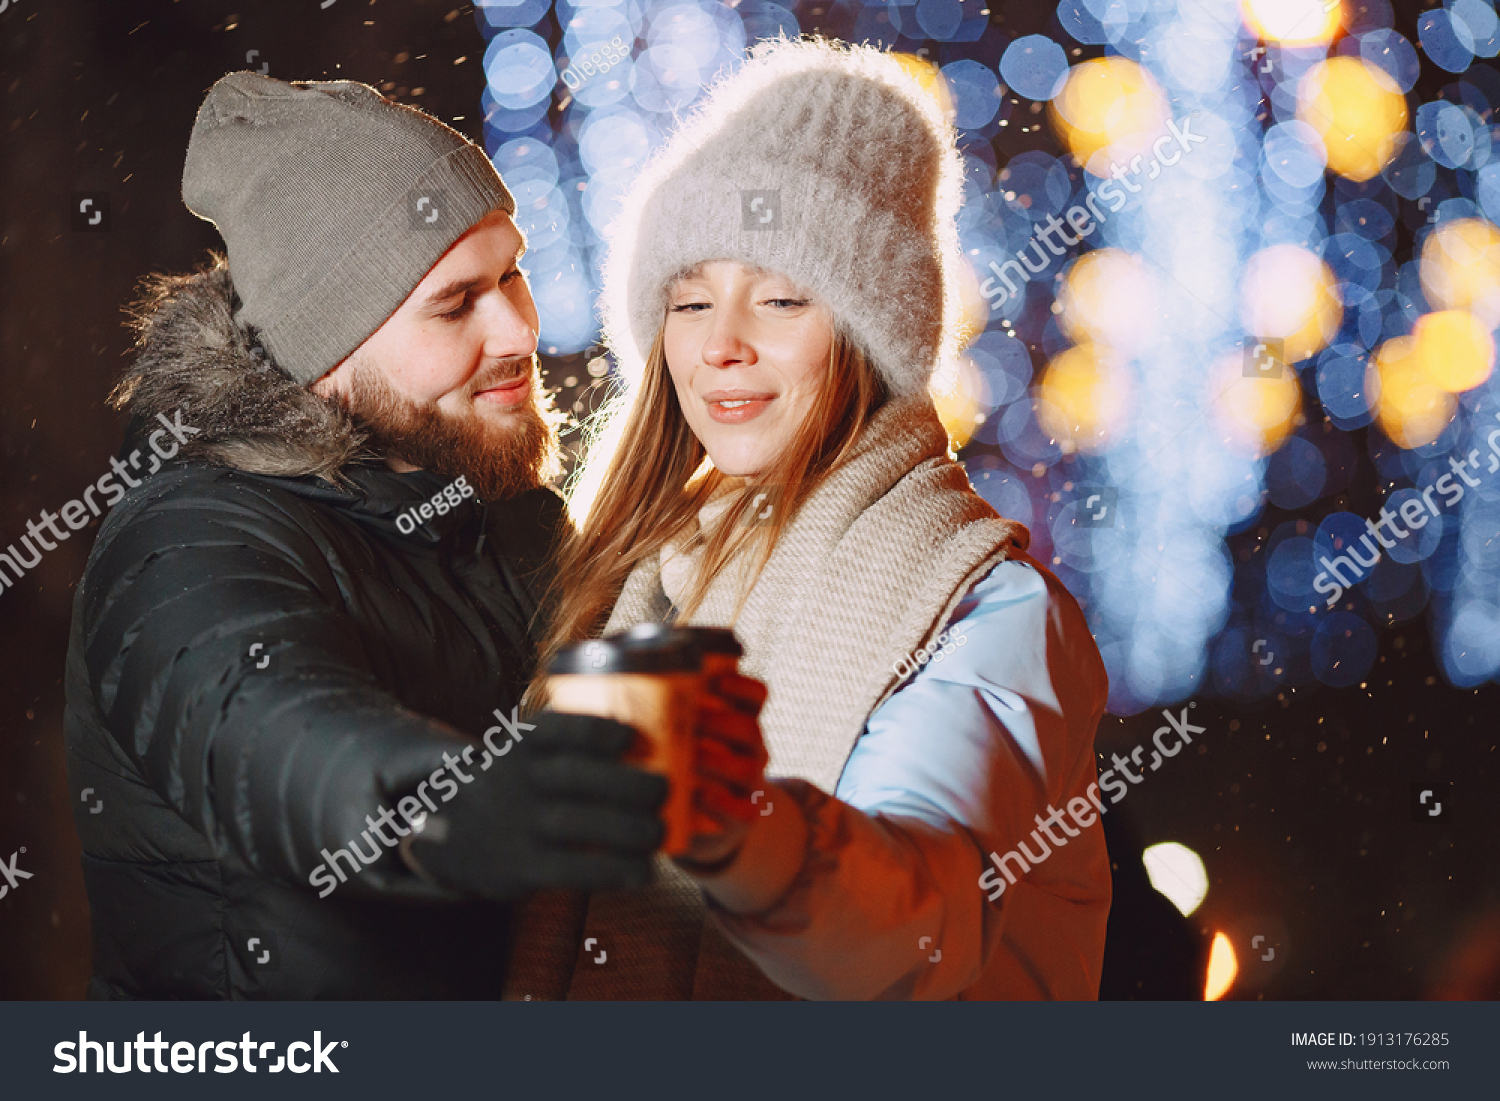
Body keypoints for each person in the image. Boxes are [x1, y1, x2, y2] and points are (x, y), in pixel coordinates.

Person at [504, 37, 1113, 1001]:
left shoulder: (985, 616)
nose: (721, 346)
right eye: (690, 299)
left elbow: (915, 922)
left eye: (782, 298)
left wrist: (729, 820)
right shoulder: (641, 584)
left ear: (873, 335)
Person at [62, 73, 678, 999]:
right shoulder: (186, 540)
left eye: (511, 271)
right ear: (328, 350)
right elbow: (269, 734)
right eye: (455, 301)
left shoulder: (500, 516)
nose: (520, 327)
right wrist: (464, 807)